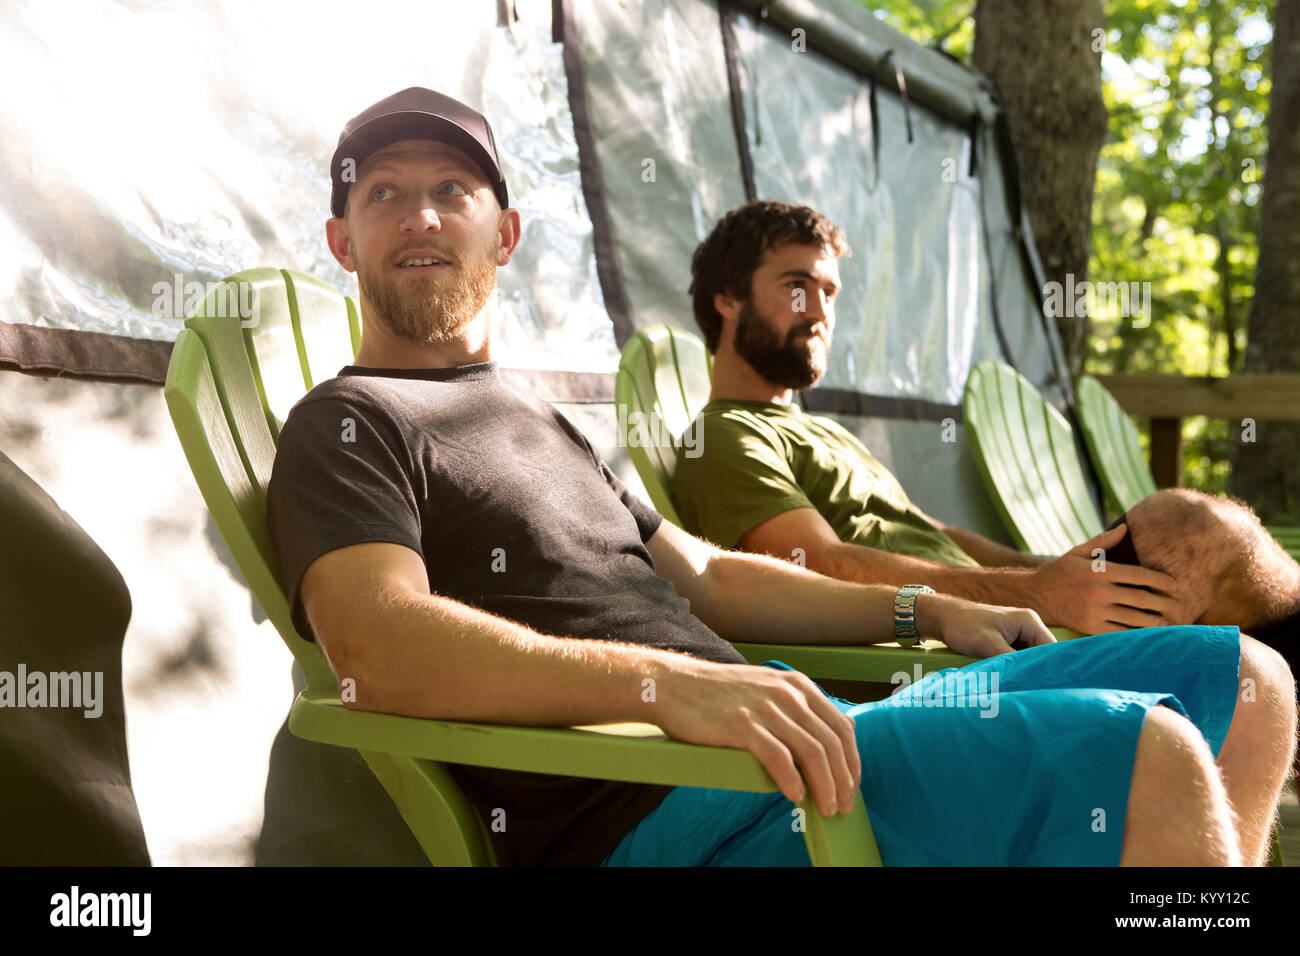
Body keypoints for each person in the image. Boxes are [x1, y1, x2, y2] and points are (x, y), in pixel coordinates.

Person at [266, 88, 1295, 867]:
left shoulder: (537, 418)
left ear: (505, 232)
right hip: (670, 805)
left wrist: (919, 606)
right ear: (340, 239)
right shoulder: (348, 422)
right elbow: (375, 642)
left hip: (793, 743)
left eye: (454, 190)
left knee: (1250, 683)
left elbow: (708, 576)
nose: (422, 216)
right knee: (1147, 749)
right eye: (384, 194)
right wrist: (670, 688)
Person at [672, 200, 1300, 665]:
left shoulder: (820, 432)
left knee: (1241, 620)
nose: (820, 311)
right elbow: (814, 565)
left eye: (830, 291)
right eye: (796, 286)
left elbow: (935, 534)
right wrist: (1039, 592)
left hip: (1005, 622)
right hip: (944, 656)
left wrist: (1055, 572)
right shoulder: (727, 437)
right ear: (728, 299)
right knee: (1191, 530)